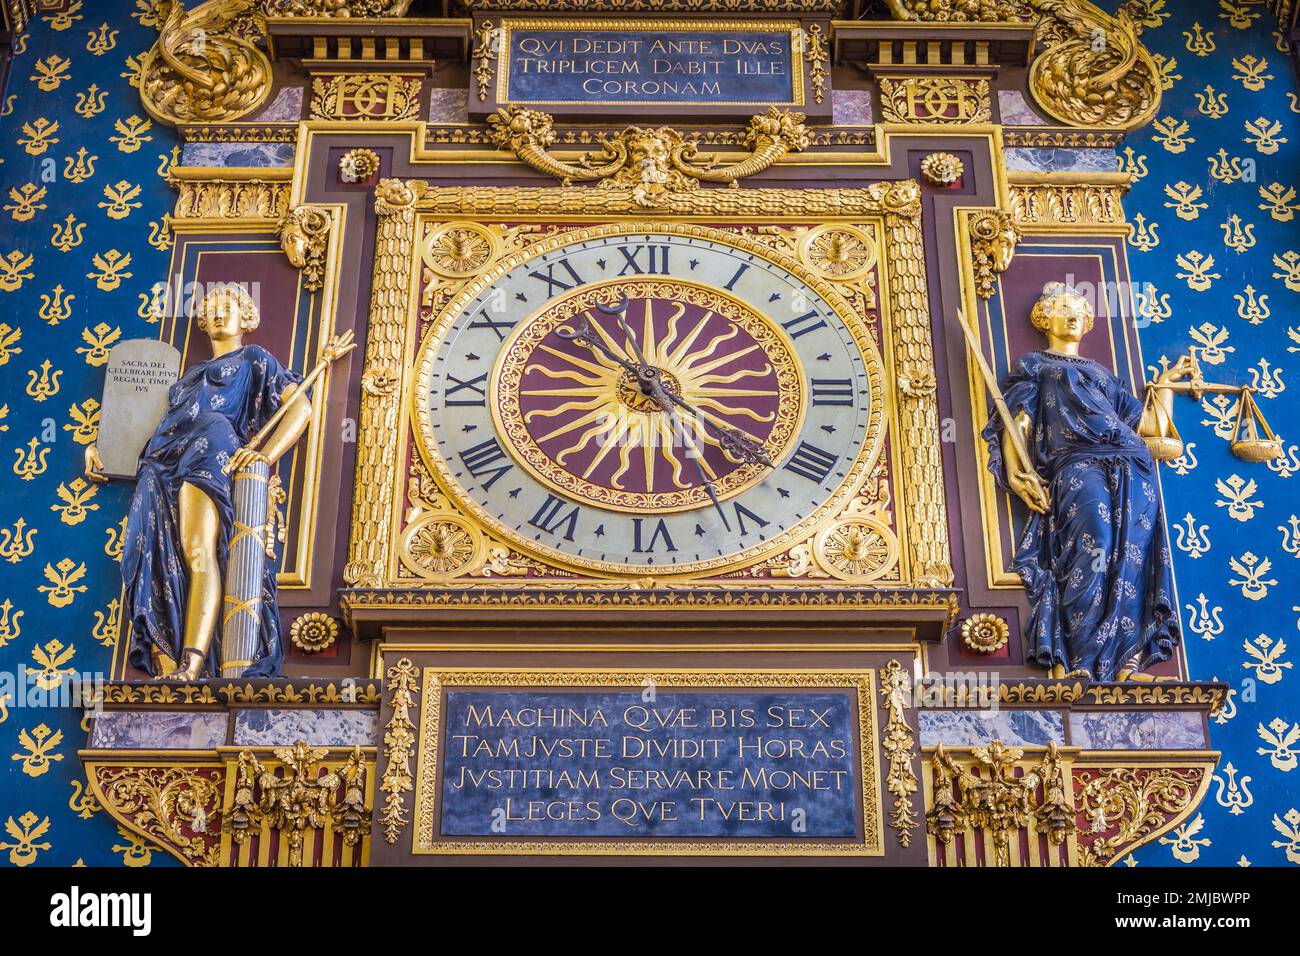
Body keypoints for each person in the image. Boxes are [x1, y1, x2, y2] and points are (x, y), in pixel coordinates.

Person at [88, 286, 318, 680]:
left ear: (246, 318)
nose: (217, 315)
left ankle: (191, 663)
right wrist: (101, 448)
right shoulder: (188, 375)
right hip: (159, 463)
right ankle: (166, 658)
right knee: (151, 555)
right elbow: (144, 428)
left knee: (197, 549)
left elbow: (301, 407)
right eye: (209, 309)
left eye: (227, 308)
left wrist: (265, 455)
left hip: (210, 451)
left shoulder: (254, 358)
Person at [981, 283, 1194, 681]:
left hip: (1135, 467)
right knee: (1092, 547)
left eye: (1079, 307)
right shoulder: (1036, 366)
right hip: (1078, 464)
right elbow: (1019, 421)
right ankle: (1082, 660)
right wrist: (1015, 470)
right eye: (1062, 307)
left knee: (1130, 560)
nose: (1073, 313)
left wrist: (1164, 386)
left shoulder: (1103, 375)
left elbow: (1149, 425)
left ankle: (1123, 665)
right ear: (1045, 318)